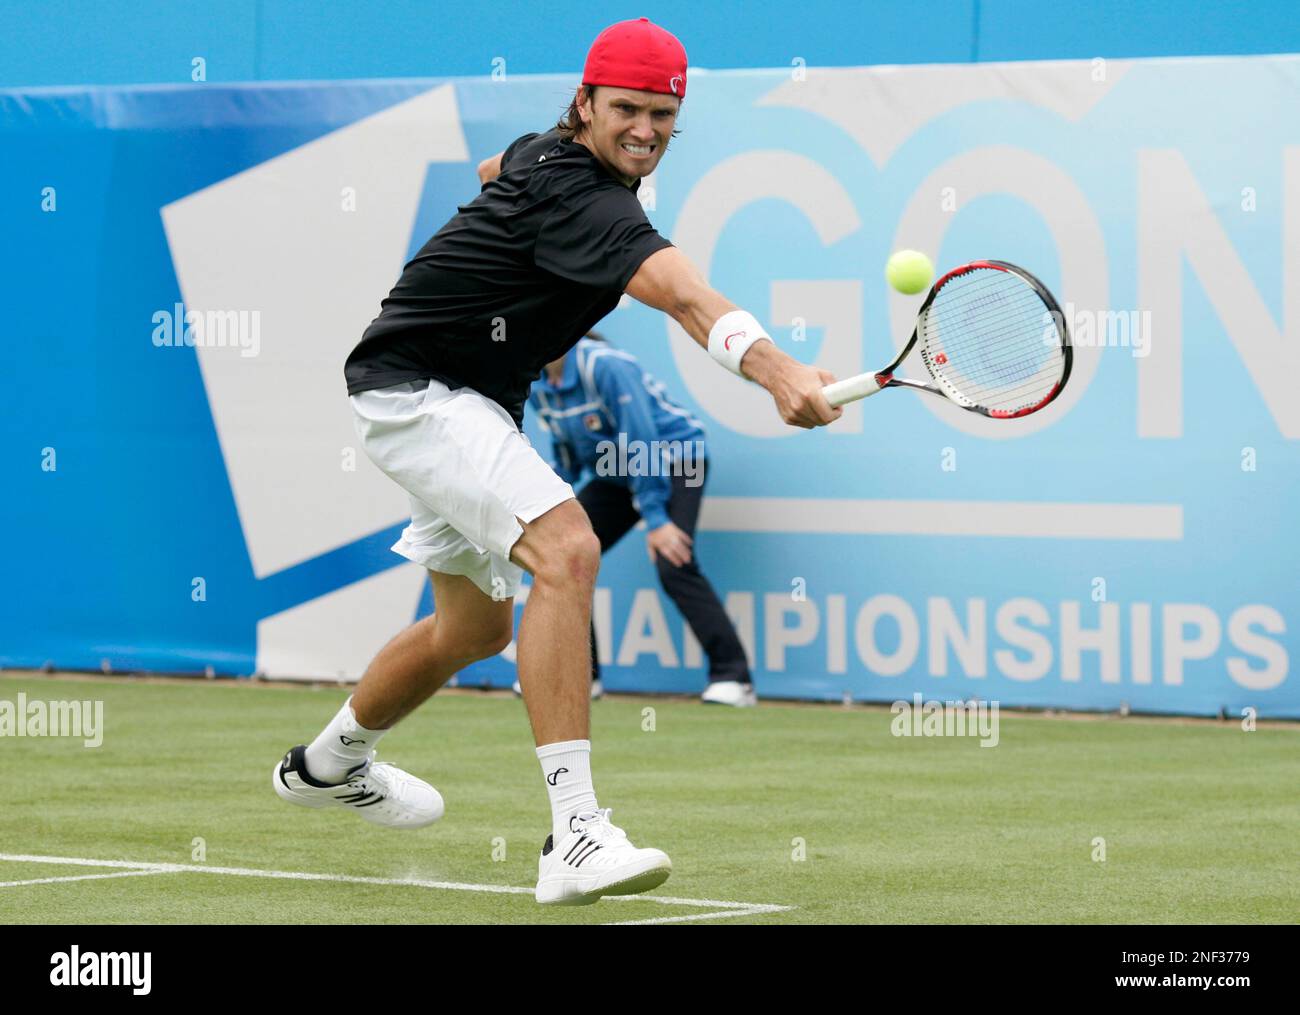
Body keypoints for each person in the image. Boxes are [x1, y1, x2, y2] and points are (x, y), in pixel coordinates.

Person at [271, 16, 840, 907]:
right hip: (417, 391)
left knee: (475, 632)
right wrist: (778, 372)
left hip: (465, 400)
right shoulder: (591, 200)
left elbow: (495, 172)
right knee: (569, 548)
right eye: (625, 109)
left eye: (662, 114)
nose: (645, 130)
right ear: (586, 102)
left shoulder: (544, 156)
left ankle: (327, 762)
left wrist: (505, 232)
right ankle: (574, 833)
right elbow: (689, 301)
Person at [516, 332, 757, 706]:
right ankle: (582, 677)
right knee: (560, 556)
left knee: (673, 562)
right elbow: (567, 456)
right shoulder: (536, 380)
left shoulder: (607, 366)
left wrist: (657, 519)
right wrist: (541, 507)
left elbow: (641, 441)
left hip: (677, 459)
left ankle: (734, 678)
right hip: (615, 472)